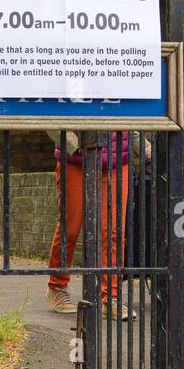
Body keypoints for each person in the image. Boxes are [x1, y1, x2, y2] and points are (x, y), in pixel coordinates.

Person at [45, 130, 131, 320]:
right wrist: (75, 146)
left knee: (113, 231)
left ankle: (111, 297)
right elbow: (49, 116)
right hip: (75, 160)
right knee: (71, 227)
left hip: (116, 160)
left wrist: (143, 144)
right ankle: (57, 286)